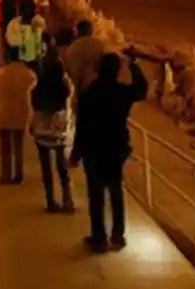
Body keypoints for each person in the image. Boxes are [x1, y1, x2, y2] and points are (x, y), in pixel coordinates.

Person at [70, 53, 148, 252]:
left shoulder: (88, 95)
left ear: (98, 70)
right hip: (116, 147)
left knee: (96, 195)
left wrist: (76, 153)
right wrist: (134, 66)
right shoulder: (121, 93)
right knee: (115, 191)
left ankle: (99, 237)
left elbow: (82, 126)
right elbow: (141, 90)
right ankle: (118, 235)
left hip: (94, 148)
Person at [30, 48, 74, 213]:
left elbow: (34, 107)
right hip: (59, 130)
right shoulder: (63, 87)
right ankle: (67, 199)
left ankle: (50, 201)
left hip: (42, 130)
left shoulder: (37, 88)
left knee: (46, 168)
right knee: (63, 167)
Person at [0, 49, 35, 184]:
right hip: (22, 112)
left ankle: (6, 174)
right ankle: (19, 172)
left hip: (3, 112)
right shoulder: (29, 75)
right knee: (19, 145)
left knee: (5, 146)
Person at [5, 0, 47, 72]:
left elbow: (43, 43)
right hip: (18, 61)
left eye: (31, 9)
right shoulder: (14, 24)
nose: (28, 12)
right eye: (26, 9)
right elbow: (12, 42)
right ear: (21, 11)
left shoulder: (39, 22)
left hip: (37, 61)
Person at [66, 19, 105, 94]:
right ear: (90, 31)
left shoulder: (73, 47)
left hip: (81, 87)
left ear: (78, 31)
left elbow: (71, 69)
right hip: (99, 86)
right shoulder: (99, 45)